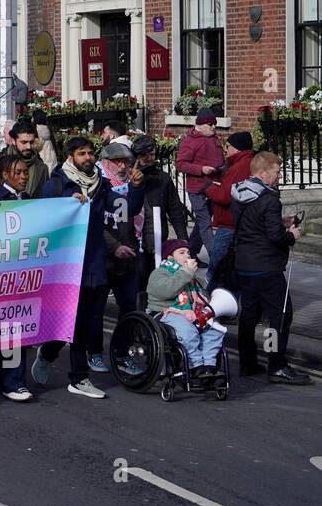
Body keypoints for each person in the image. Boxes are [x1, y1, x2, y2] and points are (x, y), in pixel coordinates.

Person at [31, 136, 113, 400]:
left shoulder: (102, 185)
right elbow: (42, 221)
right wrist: (66, 206)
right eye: (82, 154)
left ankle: (60, 363)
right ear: (70, 157)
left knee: (85, 322)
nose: (88, 158)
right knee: (71, 320)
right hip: (66, 265)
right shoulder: (56, 185)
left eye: (90, 153)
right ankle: (67, 368)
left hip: (93, 261)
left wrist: (134, 189)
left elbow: (123, 210)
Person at [230, 152, 311, 384]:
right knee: (280, 317)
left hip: (244, 264)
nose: (280, 175)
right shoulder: (268, 199)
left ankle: (248, 362)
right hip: (265, 267)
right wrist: (291, 234)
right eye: (277, 171)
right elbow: (276, 237)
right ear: (263, 173)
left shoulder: (240, 193)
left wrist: (280, 221)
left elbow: (253, 224)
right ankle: (275, 364)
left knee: (250, 315)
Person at [0, 153, 36, 402]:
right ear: (5, 174)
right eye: (17, 173)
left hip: (22, 274)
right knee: (10, 329)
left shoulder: (27, 199)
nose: (23, 177)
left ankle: (5, 378)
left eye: (26, 172)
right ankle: (12, 382)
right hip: (3, 275)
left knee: (18, 329)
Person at [146, 239, 225, 385]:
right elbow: (167, 291)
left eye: (188, 252)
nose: (187, 255)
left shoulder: (189, 277)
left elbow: (200, 297)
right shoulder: (159, 273)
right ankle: (196, 365)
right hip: (166, 312)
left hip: (190, 313)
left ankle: (209, 366)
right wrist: (187, 272)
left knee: (214, 329)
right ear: (170, 257)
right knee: (188, 331)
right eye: (181, 253)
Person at [95, 141, 146, 368]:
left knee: (128, 308)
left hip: (127, 256)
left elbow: (131, 210)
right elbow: (94, 224)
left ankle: (122, 353)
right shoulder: (97, 185)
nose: (123, 166)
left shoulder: (128, 184)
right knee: (95, 311)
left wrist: (135, 187)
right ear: (105, 162)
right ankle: (93, 352)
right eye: (117, 161)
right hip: (102, 257)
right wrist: (113, 246)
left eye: (126, 161)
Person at [130, 134, 190, 282]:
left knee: (155, 276)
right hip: (134, 238)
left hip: (157, 236)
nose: (150, 158)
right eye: (146, 155)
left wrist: (182, 237)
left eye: (152, 154)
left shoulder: (162, 178)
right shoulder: (126, 176)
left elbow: (175, 209)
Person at [203, 130, 254, 292]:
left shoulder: (239, 166)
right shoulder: (248, 163)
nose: (226, 149)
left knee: (218, 267)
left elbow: (226, 196)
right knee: (233, 268)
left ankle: (211, 306)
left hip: (229, 224)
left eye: (229, 146)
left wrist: (210, 190)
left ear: (237, 149)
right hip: (239, 223)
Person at [176, 110, 224, 264]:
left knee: (202, 222)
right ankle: (217, 260)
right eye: (210, 124)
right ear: (200, 125)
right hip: (197, 189)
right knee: (205, 223)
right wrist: (201, 169)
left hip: (213, 186)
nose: (213, 127)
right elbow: (180, 164)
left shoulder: (214, 138)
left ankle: (191, 253)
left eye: (215, 124)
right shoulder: (190, 141)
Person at [0, 120, 49, 196]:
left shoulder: (42, 168)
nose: (28, 147)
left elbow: (45, 197)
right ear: (13, 141)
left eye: (31, 142)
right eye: (24, 142)